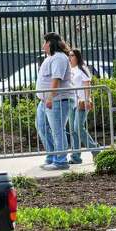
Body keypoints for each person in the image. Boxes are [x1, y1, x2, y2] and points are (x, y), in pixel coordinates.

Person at [34, 33, 73, 170]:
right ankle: (52, 156)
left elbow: (56, 79)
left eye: (44, 42)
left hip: (57, 100)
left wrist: (50, 97)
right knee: (42, 128)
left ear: (50, 43)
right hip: (46, 100)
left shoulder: (59, 58)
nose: (43, 45)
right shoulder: (50, 58)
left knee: (57, 130)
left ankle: (61, 161)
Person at [65, 47, 98, 163]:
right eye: (69, 55)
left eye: (72, 55)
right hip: (71, 102)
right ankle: (75, 157)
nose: (70, 58)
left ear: (77, 57)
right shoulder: (69, 69)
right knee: (73, 130)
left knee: (78, 128)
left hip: (82, 102)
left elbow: (87, 85)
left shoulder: (82, 69)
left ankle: (95, 150)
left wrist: (87, 99)